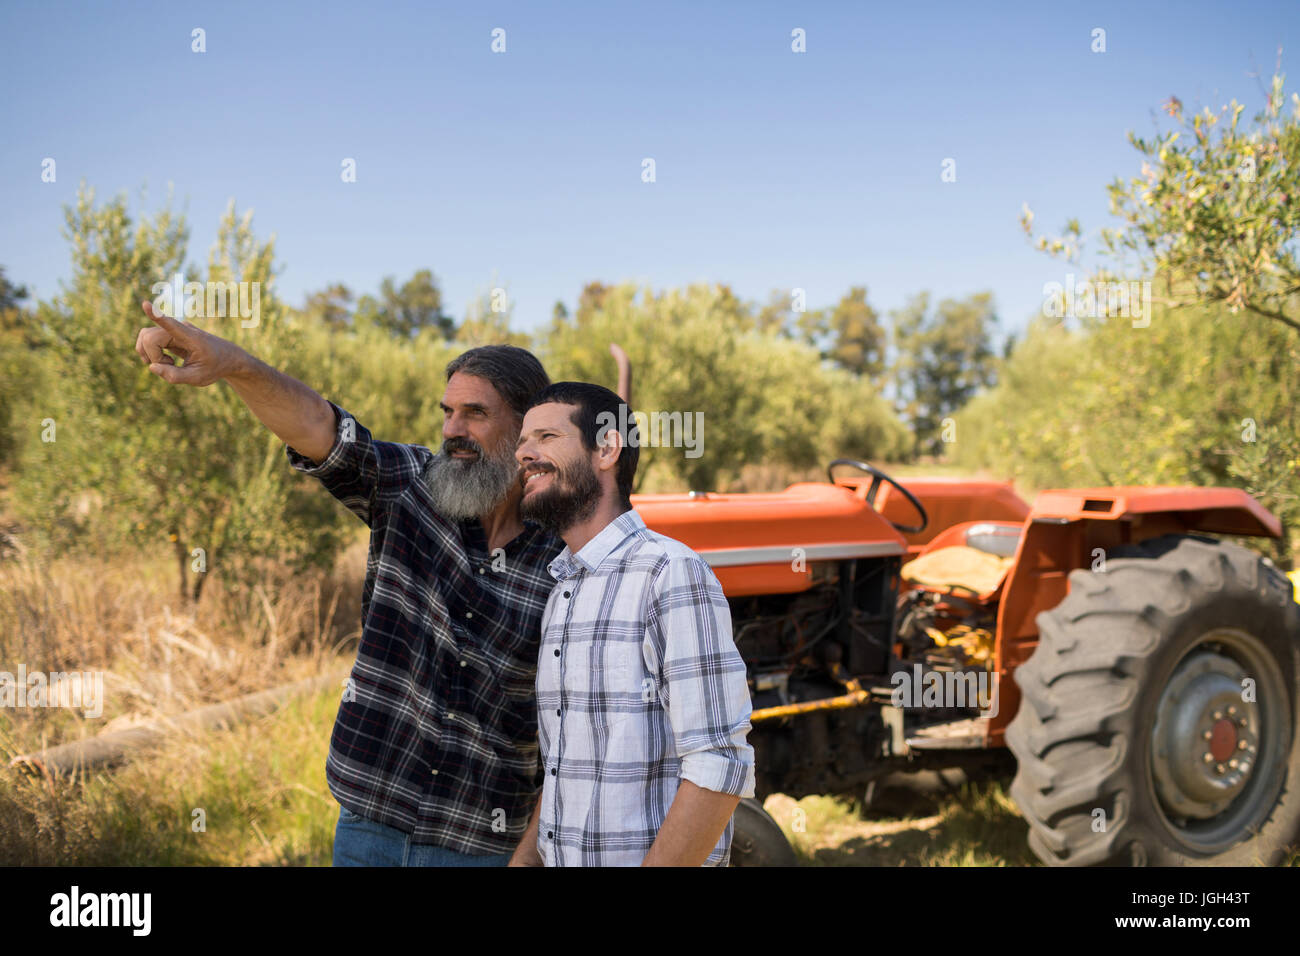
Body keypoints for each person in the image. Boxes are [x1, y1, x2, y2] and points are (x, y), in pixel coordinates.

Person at [133, 301, 563, 866]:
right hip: (368, 825)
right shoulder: (411, 488)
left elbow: (569, 731)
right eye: (447, 412)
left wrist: (528, 857)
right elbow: (320, 428)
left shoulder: (564, 559)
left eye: (475, 414)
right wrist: (233, 363)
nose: (452, 431)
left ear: (528, 430)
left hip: (481, 845)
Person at [506, 382, 754, 867]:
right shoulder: (562, 591)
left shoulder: (669, 572)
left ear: (606, 449)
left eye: (546, 437)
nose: (524, 454)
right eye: (521, 443)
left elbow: (720, 761)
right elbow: (565, 770)